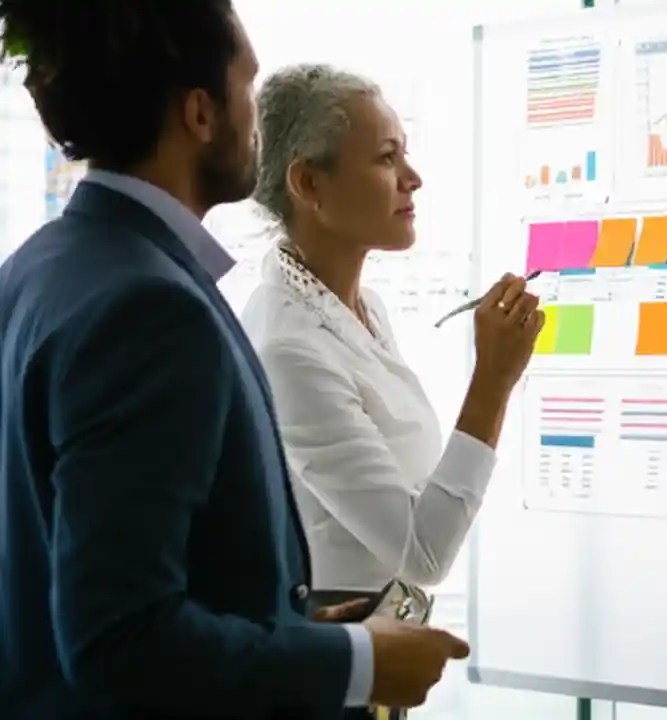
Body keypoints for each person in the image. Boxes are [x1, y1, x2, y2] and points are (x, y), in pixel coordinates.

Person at [0, 2, 467, 717]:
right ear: (200, 113)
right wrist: (359, 663)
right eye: (248, 87)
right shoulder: (149, 310)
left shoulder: (39, 269)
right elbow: (122, 641)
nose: (260, 119)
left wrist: (289, 630)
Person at [240, 65, 541, 605]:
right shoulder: (289, 350)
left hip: (377, 652)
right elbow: (423, 554)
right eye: (386, 157)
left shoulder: (362, 309)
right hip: (332, 665)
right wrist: (493, 380)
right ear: (309, 183)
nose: (413, 177)